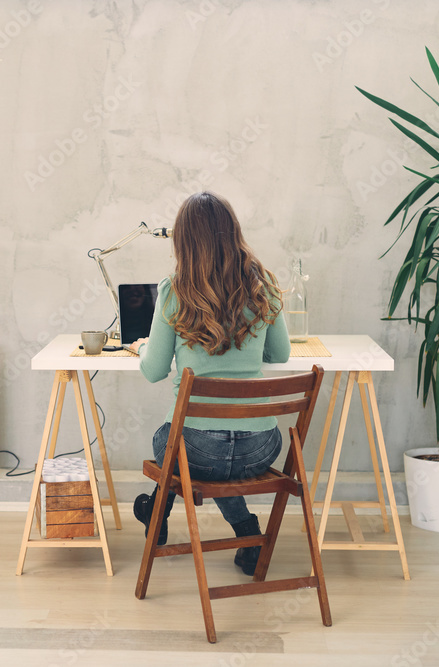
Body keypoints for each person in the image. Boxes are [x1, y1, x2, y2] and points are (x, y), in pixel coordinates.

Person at [128, 191, 290, 576]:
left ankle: (157, 508)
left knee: (171, 446)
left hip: (196, 450)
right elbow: (279, 355)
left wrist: (143, 347)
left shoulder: (173, 290)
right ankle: (248, 536)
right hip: (261, 446)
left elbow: (153, 370)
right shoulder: (263, 283)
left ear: (183, 240)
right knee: (208, 458)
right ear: (232, 232)